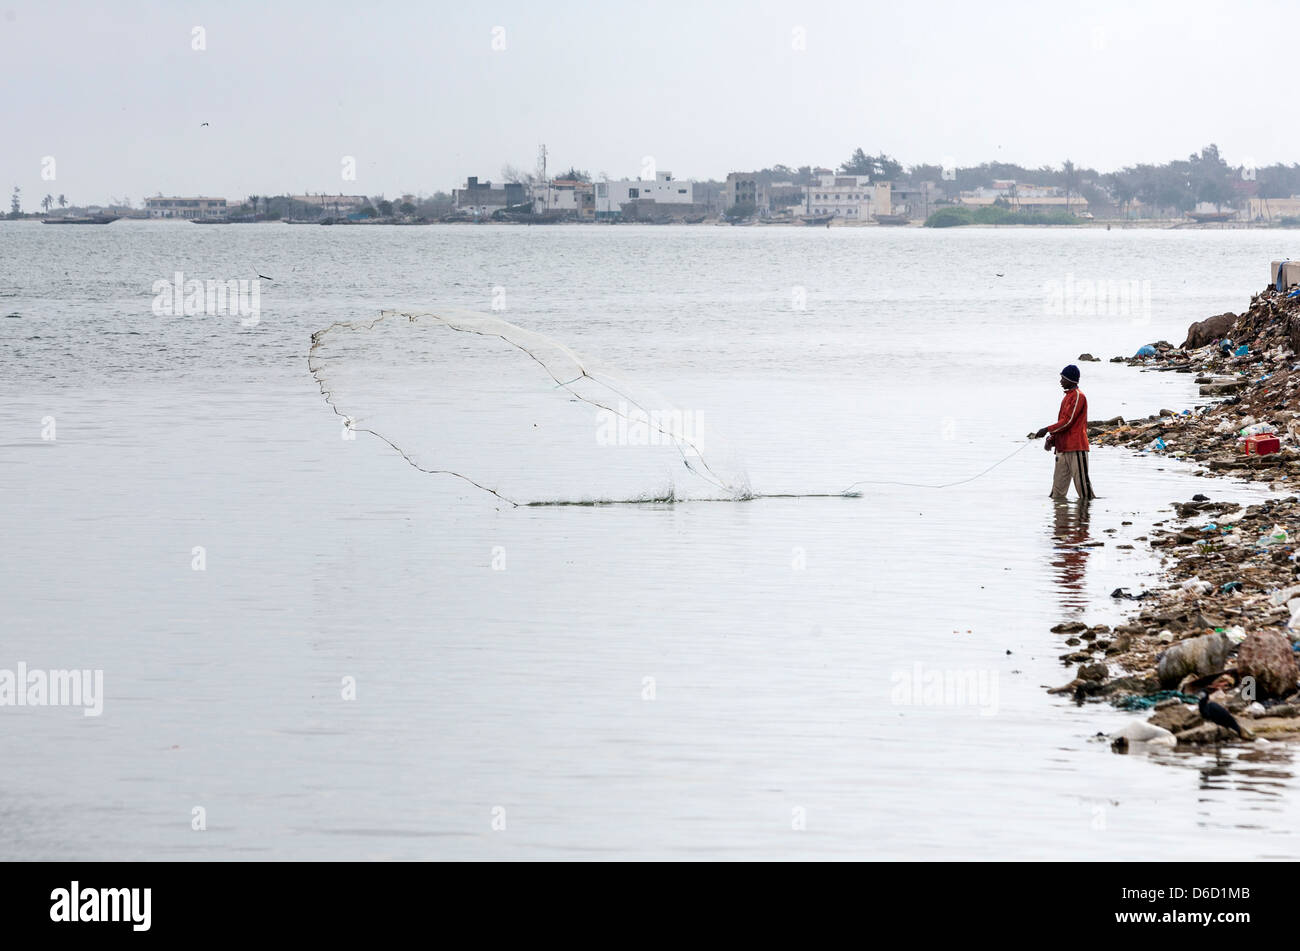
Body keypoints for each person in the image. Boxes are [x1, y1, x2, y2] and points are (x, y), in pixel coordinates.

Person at [1033, 365, 1095, 501]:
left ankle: (1083, 520)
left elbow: (1068, 421)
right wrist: (1052, 438)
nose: (1060, 381)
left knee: (1084, 492)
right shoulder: (1066, 397)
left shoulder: (1079, 396)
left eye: (1063, 378)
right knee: (1057, 493)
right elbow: (1062, 422)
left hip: (1076, 448)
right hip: (1062, 449)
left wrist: (1046, 429)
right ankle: (1060, 520)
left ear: (1071, 380)